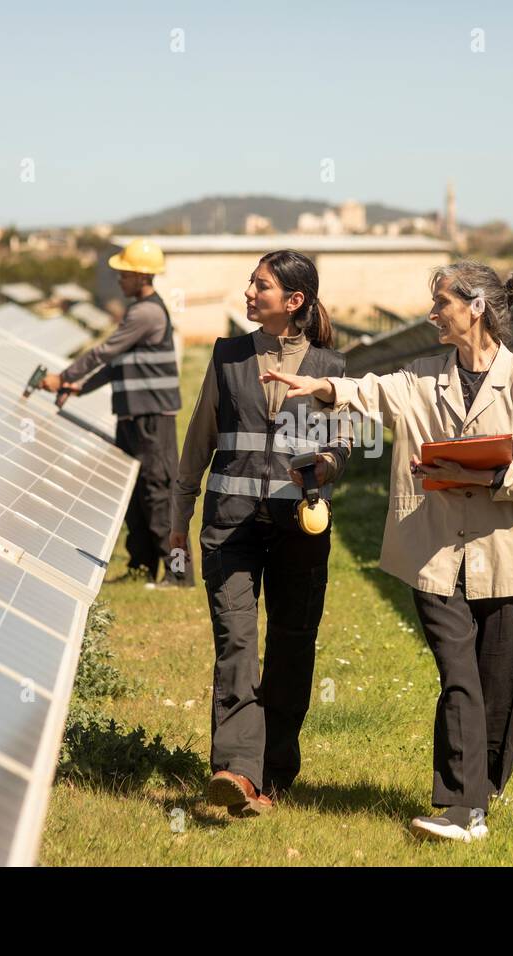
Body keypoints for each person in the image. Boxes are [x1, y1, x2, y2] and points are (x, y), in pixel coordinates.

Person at [262, 260, 513, 842]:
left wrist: (475, 475)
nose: (433, 315)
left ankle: (484, 787)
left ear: (475, 307)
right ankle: (461, 806)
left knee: (504, 680)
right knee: (460, 676)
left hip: (507, 559)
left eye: (442, 303)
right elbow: (371, 393)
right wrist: (321, 387)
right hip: (433, 557)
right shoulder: (423, 376)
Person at [169, 249, 352, 816]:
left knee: (292, 646)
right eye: (251, 283)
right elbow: (199, 440)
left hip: (299, 526)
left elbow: (343, 444)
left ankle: (273, 776)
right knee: (237, 644)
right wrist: (178, 523)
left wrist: (324, 464)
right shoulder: (226, 357)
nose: (249, 293)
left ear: (293, 302)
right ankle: (236, 772)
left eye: (261, 286)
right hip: (229, 529)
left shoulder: (331, 367)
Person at [41, 238, 191, 588]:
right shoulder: (139, 310)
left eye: (124, 274)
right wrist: (80, 387)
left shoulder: (146, 312)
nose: (119, 280)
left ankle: (178, 574)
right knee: (136, 494)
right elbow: (117, 365)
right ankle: (141, 567)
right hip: (133, 416)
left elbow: (103, 353)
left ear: (141, 276)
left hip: (152, 416)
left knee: (157, 492)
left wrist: (63, 377)